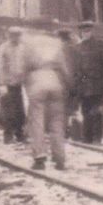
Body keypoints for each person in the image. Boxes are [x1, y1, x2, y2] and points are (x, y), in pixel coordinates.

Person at [21, 29, 73, 171]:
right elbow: (64, 69)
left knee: (37, 121)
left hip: (37, 82)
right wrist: (68, 85)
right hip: (55, 82)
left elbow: (24, 67)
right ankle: (60, 158)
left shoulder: (30, 43)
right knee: (57, 121)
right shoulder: (56, 44)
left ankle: (40, 158)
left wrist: (24, 82)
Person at [72, 20, 103, 143]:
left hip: (97, 85)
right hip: (84, 85)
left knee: (96, 112)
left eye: (88, 31)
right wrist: (78, 84)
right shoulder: (78, 48)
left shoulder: (101, 45)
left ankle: (97, 139)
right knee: (86, 112)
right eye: (84, 31)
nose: (86, 33)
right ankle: (87, 139)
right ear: (80, 32)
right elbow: (77, 69)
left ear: (92, 31)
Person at [0, 27, 27, 143]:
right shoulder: (3, 48)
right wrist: (1, 83)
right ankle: (8, 135)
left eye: (18, 35)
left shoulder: (23, 47)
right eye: (13, 35)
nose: (15, 37)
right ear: (9, 35)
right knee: (8, 111)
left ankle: (19, 133)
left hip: (19, 84)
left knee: (20, 110)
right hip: (7, 84)